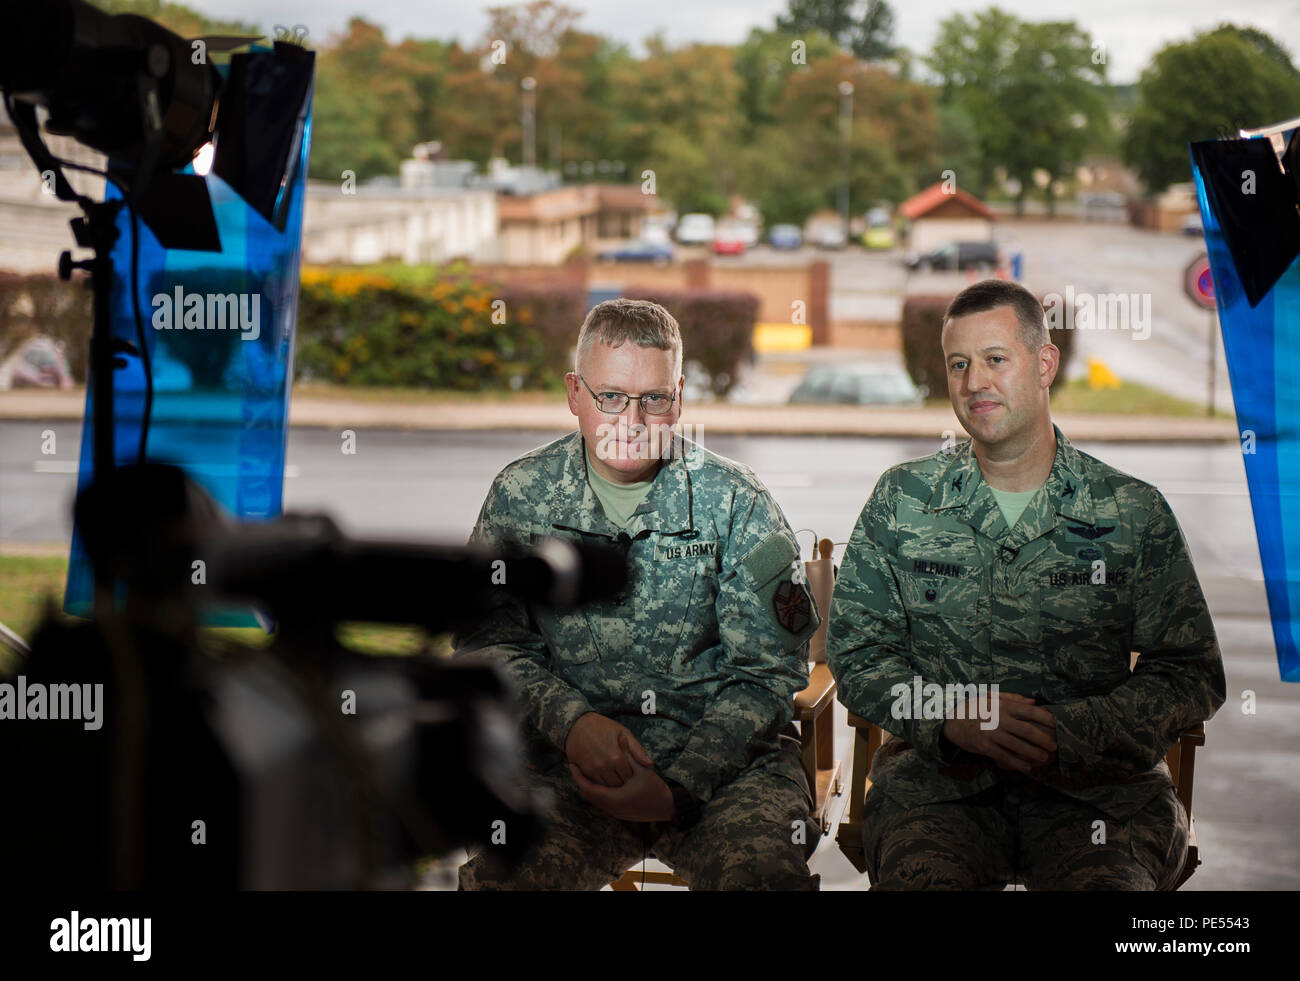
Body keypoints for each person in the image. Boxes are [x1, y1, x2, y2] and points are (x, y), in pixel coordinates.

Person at [826, 279, 1226, 890]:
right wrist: (951, 716)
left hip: (1097, 799)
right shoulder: (902, 500)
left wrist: (1069, 732)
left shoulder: (1131, 510)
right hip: (939, 795)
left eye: (994, 359)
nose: (973, 383)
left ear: (1044, 365)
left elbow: (1191, 671)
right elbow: (857, 655)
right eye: (958, 364)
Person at [455, 298, 820, 890]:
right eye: (611, 397)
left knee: (764, 878)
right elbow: (485, 644)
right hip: (566, 768)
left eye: (654, 399)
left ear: (678, 397)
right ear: (575, 394)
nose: (632, 419)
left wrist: (679, 786)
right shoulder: (522, 496)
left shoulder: (733, 499)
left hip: (724, 773)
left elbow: (767, 671)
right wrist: (574, 726)